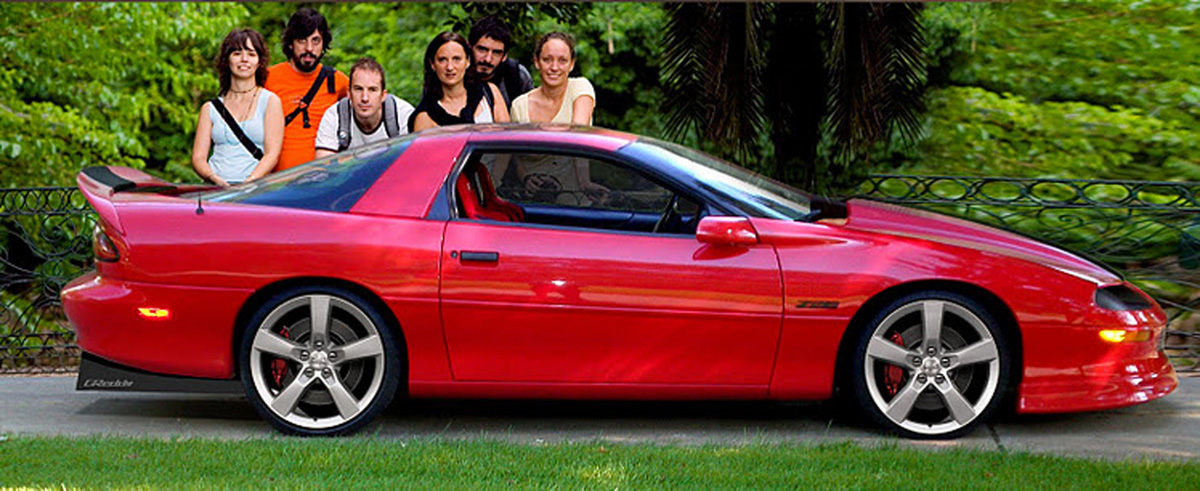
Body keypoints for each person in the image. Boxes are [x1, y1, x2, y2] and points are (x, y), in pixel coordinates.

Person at [502, 32, 603, 204]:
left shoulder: (580, 87)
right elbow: (516, 156)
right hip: (534, 203)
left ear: (571, 64)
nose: (554, 67)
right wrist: (526, 178)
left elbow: (578, 134)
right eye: (547, 59)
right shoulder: (519, 105)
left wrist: (584, 182)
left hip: (576, 200)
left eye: (562, 60)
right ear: (536, 62)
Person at [191, 29, 284, 186]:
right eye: (237, 53)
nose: (244, 59)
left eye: (251, 54)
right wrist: (214, 178)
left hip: (254, 190)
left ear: (260, 61)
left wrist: (250, 182)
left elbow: (272, 154)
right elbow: (198, 158)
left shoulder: (270, 101)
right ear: (227, 60)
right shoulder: (210, 108)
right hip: (215, 190)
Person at [266, 7, 350, 171]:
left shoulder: (336, 80)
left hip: (324, 180)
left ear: (323, 43)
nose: (309, 48)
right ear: (290, 43)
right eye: (302, 40)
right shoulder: (268, 78)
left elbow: (369, 103)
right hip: (277, 182)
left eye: (315, 40)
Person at [408, 32, 510, 133]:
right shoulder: (425, 116)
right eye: (442, 60)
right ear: (432, 64)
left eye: (456, 59)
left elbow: (507, 140)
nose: (450, 67)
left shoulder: (490, 93)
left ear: (467, 61)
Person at [315, 57, 415, 158]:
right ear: (349, 93)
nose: (365, 98)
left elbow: (417, 162)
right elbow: (324, 166)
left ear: (383, 95)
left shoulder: (403, 115)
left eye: (372, 90)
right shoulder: (334, 116)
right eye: (358, 89)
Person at [468, 16, 533, 109]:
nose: (488, 59)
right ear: (470, 47)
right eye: (482, 50)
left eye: (496, 52)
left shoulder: (517, 76)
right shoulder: (454, 73)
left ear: (504, 56)